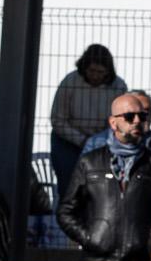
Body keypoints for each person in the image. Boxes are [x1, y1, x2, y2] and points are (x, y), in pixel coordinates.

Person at [59, 91, 151, 261]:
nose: (138, 121)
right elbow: (67, 210)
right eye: (130, 116)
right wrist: (91, 238)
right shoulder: (90, 162)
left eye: (143, 116)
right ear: (113, 122)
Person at [49, 44, 126, 193]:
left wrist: (99, 141)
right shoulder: (70, 82)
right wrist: (82, 140)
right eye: (91, 71)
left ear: (108, 72)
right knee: (69, 186)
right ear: (84, 68)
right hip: (68, 140)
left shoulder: (118, 86)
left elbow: (120, 120)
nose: (95, 76)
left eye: (100, 72)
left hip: (103, 141)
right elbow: (58, 120)